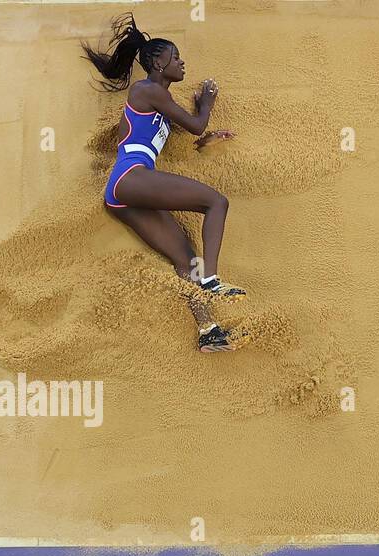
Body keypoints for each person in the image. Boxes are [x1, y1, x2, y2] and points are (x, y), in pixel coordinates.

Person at [82, 13, 245, 353]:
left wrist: (209, 138)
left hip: (124, 195)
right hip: (131, 177)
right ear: (158, 63)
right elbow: (196, 124)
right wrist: (207, 107)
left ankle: (209, 332)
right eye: (176, 58)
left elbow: (193, 134)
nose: (182, 63)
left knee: (186, 259)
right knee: (216, 202)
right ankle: (212, 281)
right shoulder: (146, 90)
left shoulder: (160, 106)